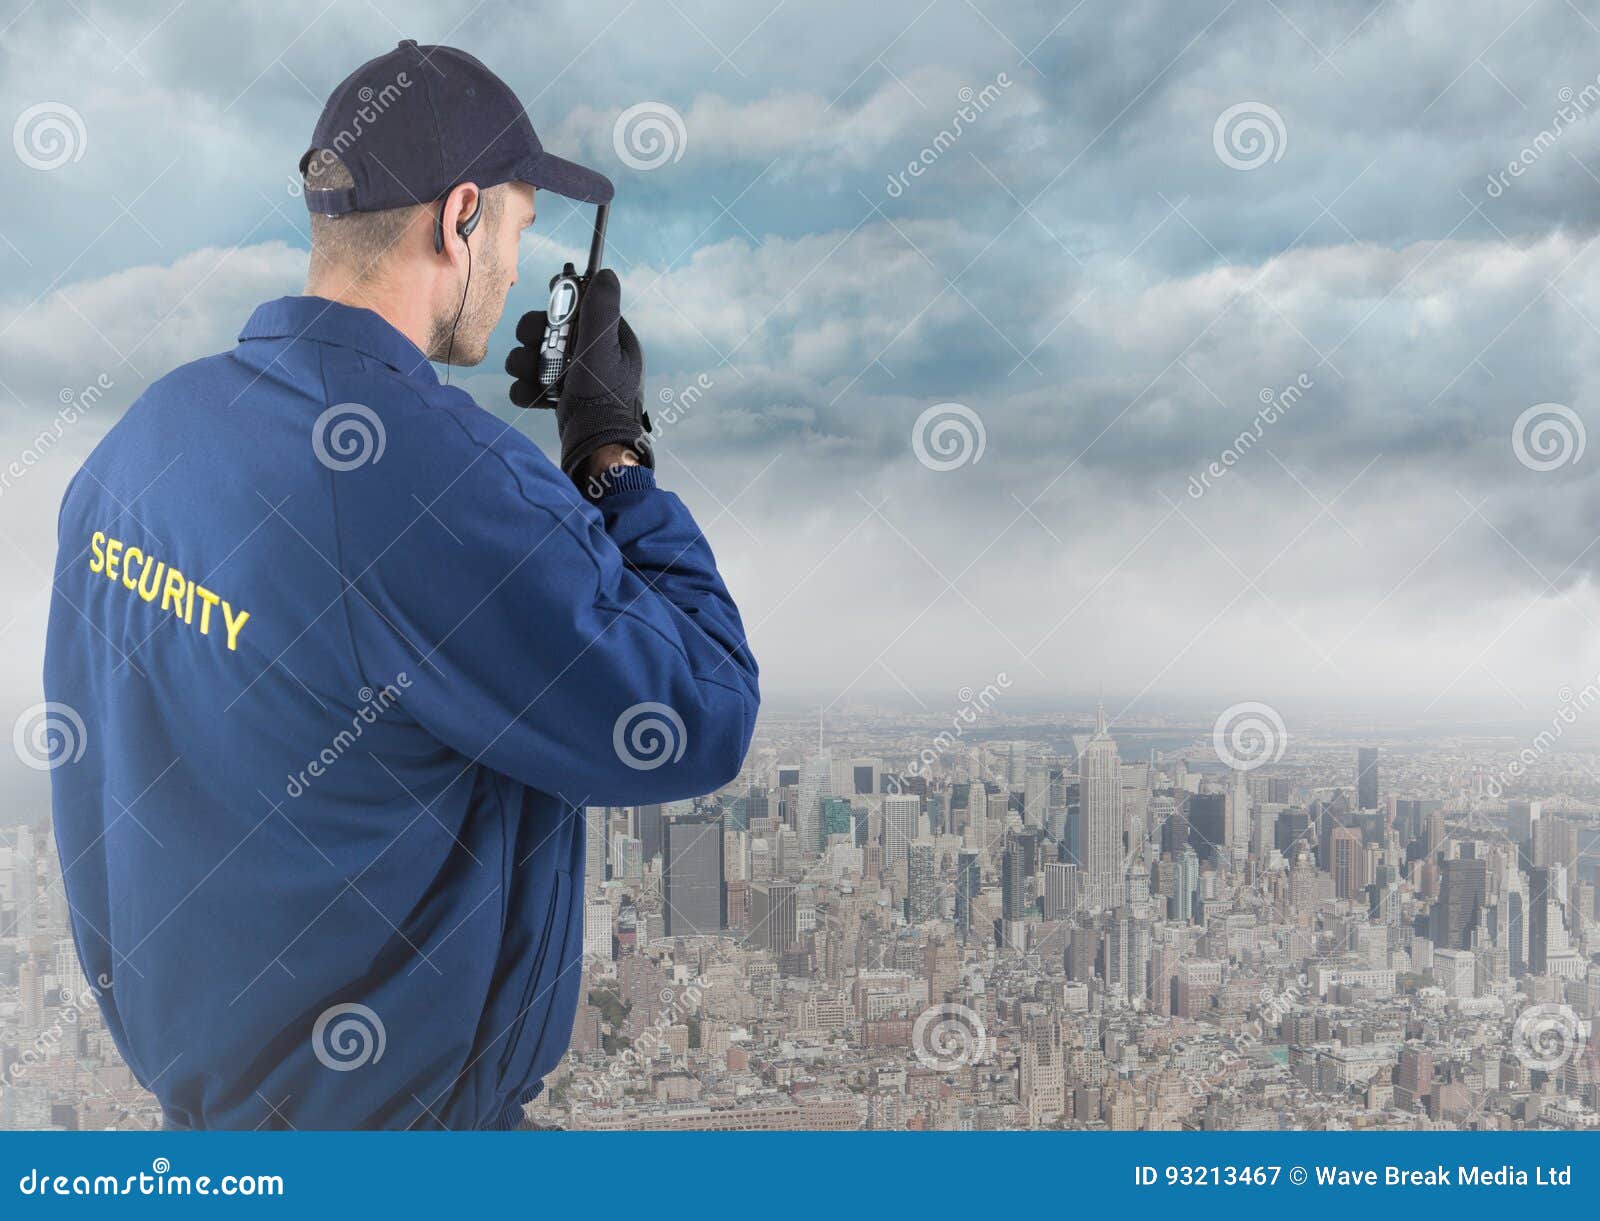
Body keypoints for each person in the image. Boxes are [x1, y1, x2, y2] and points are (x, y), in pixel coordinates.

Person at [43, 40, 758, 1130]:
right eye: (517, 229)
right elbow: (700, 713)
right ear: (457, 217)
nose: (516, 270)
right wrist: (610, 453)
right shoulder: (433, 477)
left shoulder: (146, 439)